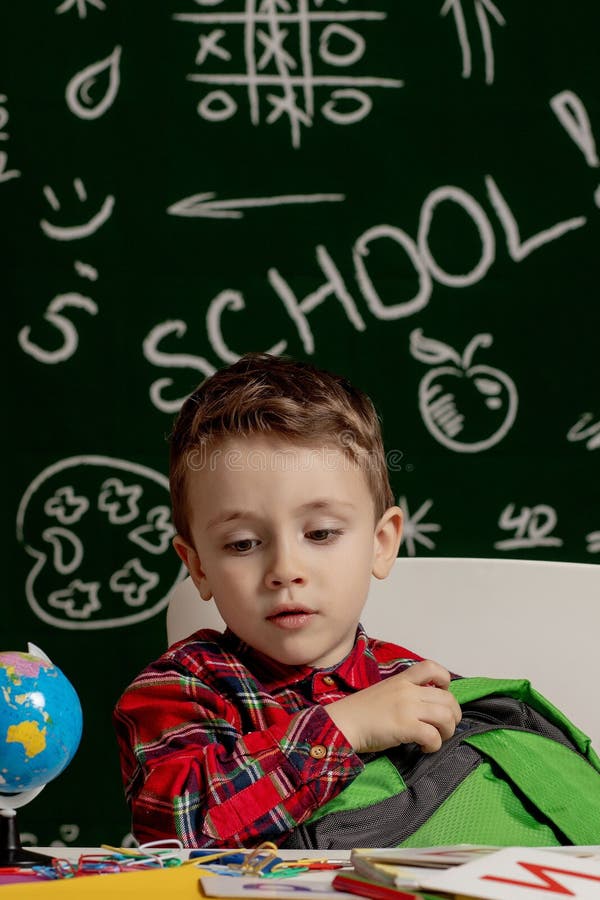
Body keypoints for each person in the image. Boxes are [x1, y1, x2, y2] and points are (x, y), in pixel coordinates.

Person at [113, 353, 461, 847]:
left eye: (320, 533)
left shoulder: (411, 684)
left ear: (381, 544)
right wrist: (342, 727)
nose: (284, 571)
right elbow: (175, 829)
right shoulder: (180, 689)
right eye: (242, 544)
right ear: (197, 566)